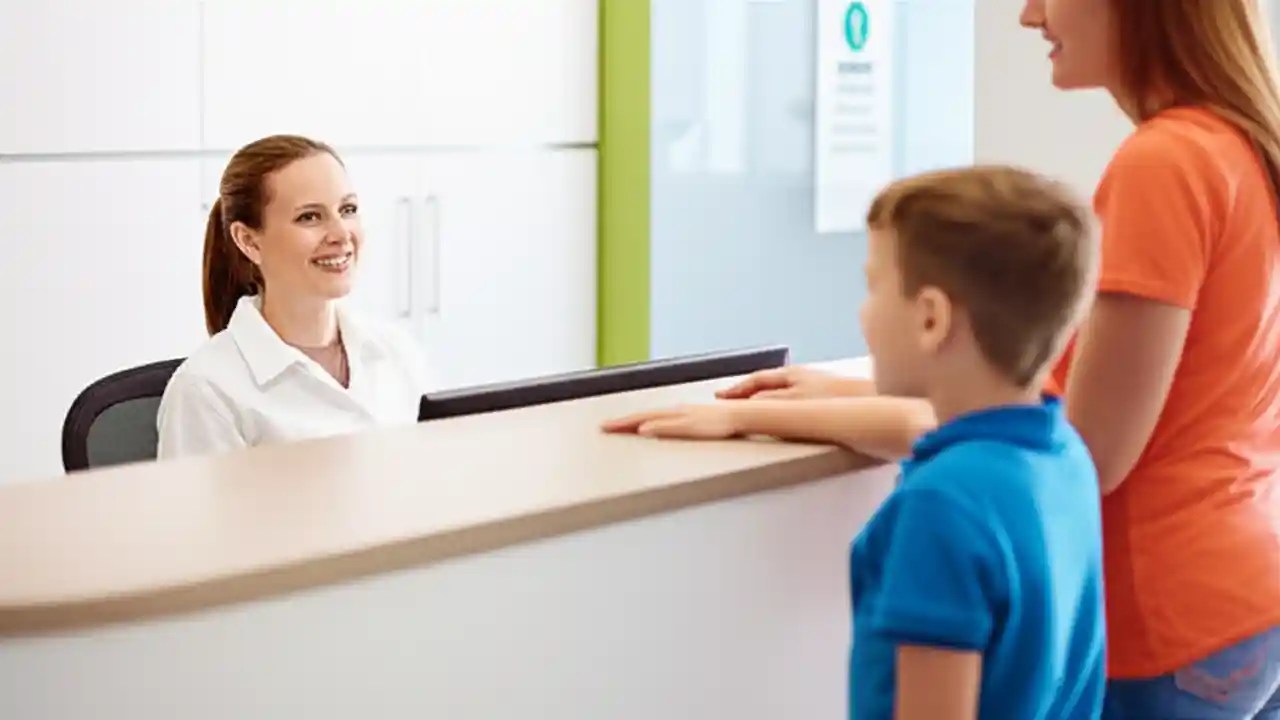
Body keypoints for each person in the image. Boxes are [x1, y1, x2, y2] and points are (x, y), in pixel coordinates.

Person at [628, 1, 1280, 716]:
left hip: (1168, 621)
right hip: (1235, 606)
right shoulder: (1233, 146)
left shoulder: (1168, 160)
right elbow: (1059, 405)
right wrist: (837, 399)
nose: (1030, 15)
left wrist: (809, 417)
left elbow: (1074, 444)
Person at [605, 166, 1106, 720]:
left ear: (931, 319)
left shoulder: (941, 506)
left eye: (873, 287)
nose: (863, 314)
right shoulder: (1063, 455)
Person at [157, 135, 432, 459]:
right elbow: (200, 511)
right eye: (309, 217)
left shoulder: (396, 352)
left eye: (348, 209)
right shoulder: (207, 390)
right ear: (249, 241)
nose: (341, 234)